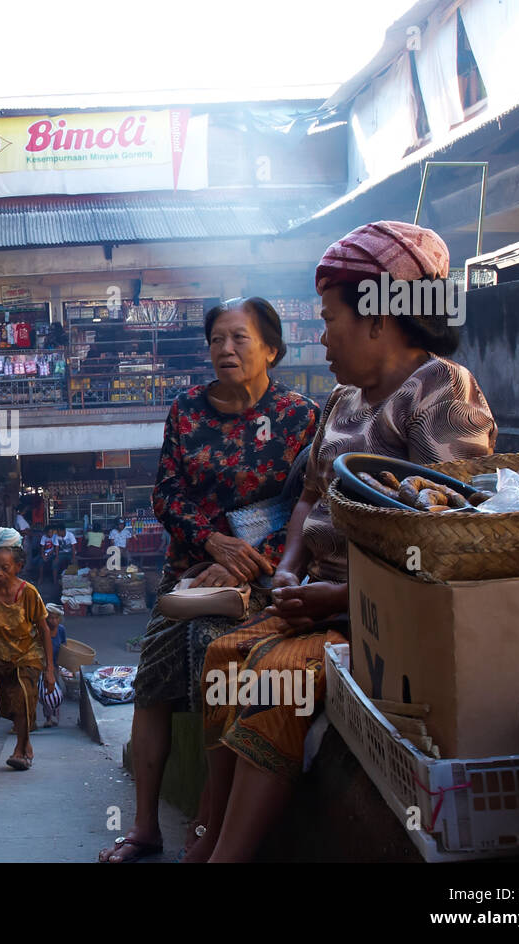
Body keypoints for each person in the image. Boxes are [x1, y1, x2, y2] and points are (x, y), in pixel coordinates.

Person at [183, 221, 497, 863]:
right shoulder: (342, 401)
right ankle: (205, 837)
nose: (319, 337)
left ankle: (227, 857)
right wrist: (292, 567)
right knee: (221, 661)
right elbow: (308, 499)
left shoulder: (442, 393)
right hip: (317, 599)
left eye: (329, 319)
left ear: (379, 318)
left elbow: (448, 539)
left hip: (380, 611)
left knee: (275, 681)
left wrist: (337, 599)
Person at [99, 295, 320, 863]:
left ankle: (208, 829)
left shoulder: (301, 417)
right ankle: (145, 828)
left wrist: (248, 559)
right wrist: (212, 542)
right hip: (190, 576)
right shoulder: (187, 411)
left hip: (260, 582)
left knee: (215, 669)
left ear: (271, 347)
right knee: (150, 681)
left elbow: (309, 507)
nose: (225, 349)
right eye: (217, 339)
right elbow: (166, 495)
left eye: (239, 338)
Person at [0, 527, 55, 771]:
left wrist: (49, 669)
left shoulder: (29, 593)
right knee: (13, 707)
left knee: (25, 699)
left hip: (29, 655)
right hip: (0, 659)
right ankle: (26, 746)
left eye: (5, 568)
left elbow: (45, 630)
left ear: (18, 566)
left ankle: (19, 749)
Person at [41, 602, 68, 728]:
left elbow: (64, 646)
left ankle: (56, 716)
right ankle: (48, 718)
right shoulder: (42, 629)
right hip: (43, 665)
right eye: (51, 618)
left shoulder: (61, 630)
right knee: (46, 691)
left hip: (55, 664)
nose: (54, 621)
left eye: (56, 618)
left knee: (56, 691)